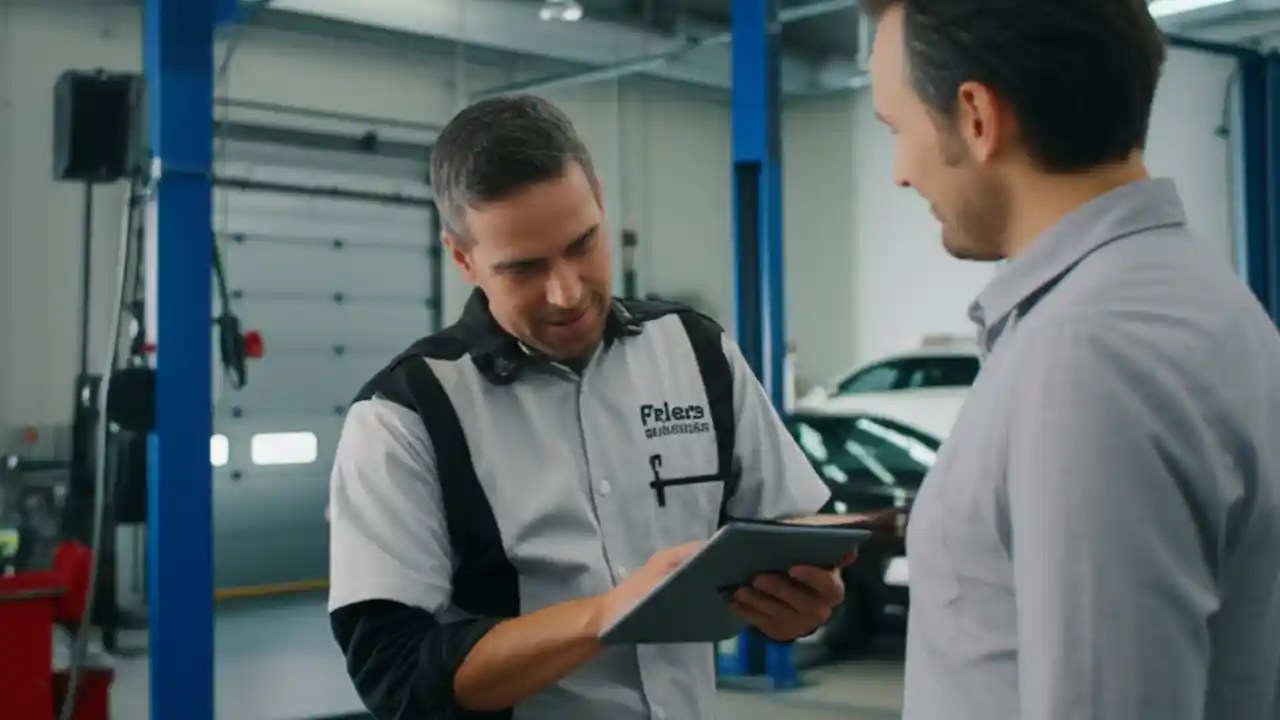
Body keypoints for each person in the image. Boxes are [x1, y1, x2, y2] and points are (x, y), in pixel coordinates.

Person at [325, 94, 848, 719]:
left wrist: (806, 602)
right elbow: (397, 676)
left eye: (582, 244)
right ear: (462, 257)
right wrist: (606, 614)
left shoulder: (698, 351)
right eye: (524, 269)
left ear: (598, 198)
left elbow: (791, 531)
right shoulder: (404, 418)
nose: (566, 291)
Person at [859, 0, 1280, 718]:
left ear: (977, 117)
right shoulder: (1197, 303)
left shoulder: (1091, 354)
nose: (900, 173)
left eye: (898, 131)